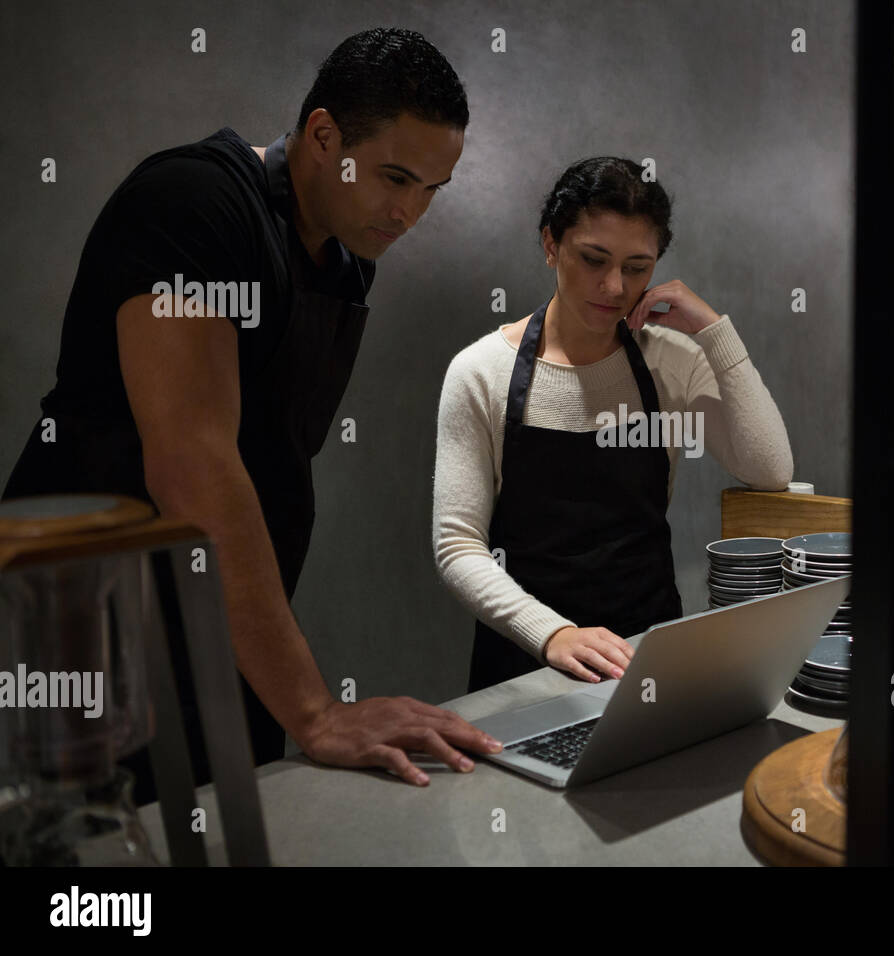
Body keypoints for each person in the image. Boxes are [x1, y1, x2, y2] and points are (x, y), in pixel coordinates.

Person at [2, 28, 501, 801]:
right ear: (323, 133)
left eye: (433, 189)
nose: (409, 212)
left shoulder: (344, 254)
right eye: (395, 177)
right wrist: (313, 708)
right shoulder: (194, 202)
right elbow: (194, 466)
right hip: (81, 626)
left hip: (215, 637)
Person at [433, 157, 794, 691]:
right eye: (593, 258)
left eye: (636, 267)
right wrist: (553, 634)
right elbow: (458, 545)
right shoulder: (480, 372)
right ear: (551, 243)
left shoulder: (669, 362)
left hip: (646, 658)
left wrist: (714, 331)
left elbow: (770, 469)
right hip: (522, 665)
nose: (613, 286)